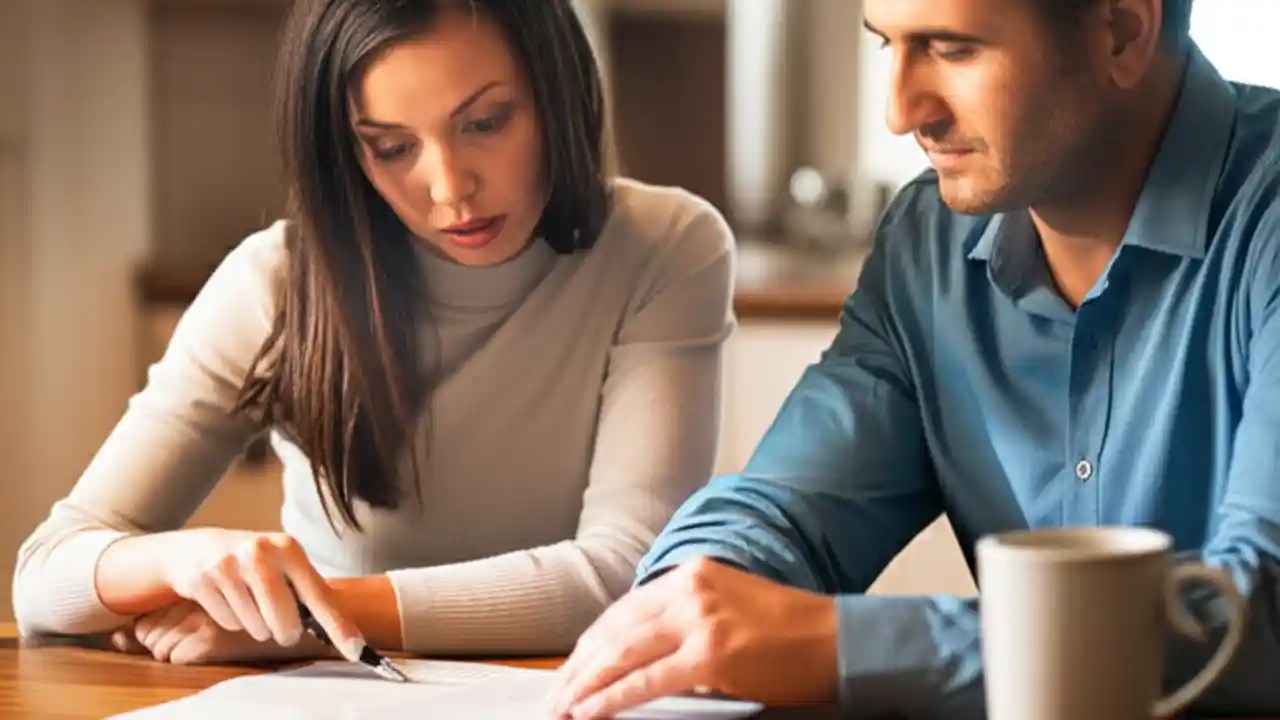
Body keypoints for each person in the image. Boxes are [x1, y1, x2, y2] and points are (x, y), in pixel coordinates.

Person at [548, 0, 1280, 717]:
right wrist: (695, 597)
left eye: (953, 49)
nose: (901, 112)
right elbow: (790, 503)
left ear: (1122, 30)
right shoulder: (929, 245)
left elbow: (1263, 609)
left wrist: (835, 644)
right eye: (886, 45)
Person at [13, 0, 735, 667]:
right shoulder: (276, 282)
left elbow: (630, 571)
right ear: (345, 153)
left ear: (558, 91)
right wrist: (180, 563)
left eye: (485, 123)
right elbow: (44, 577)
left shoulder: (665, 246)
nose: (450, 187)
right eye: (392, 147)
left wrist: (317, 614)